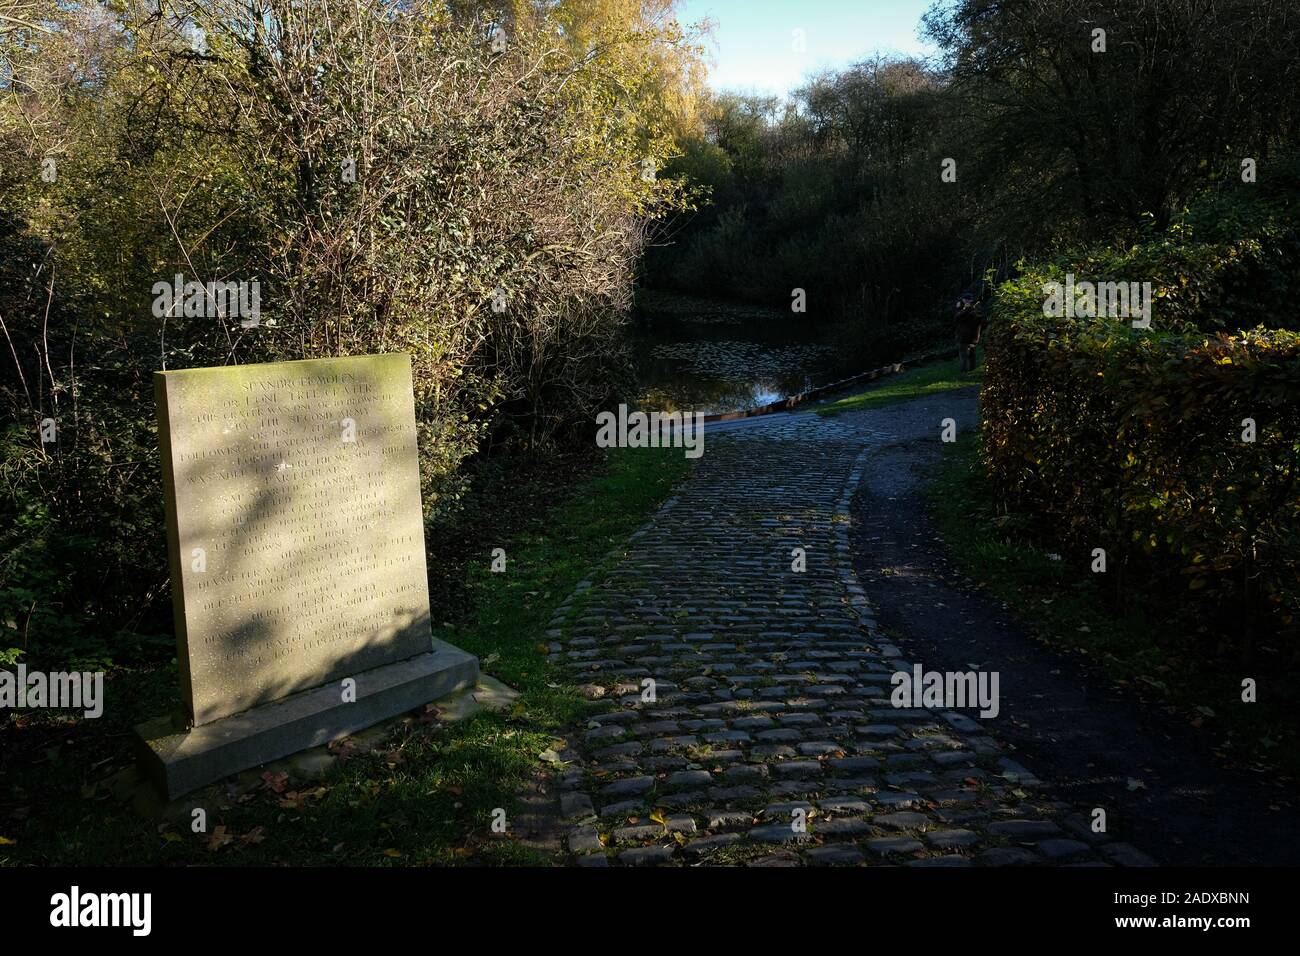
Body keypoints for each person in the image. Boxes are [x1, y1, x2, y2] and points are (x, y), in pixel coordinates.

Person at [954, 293, 986, 372]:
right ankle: (972, 370)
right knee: (971, 354)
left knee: (964, 355)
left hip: (964, 336)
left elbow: (957, 318)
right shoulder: (977, 309)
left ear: (966, 300)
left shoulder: (968, 309)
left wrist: (959, 309)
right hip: (974, 336)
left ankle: (964, 371)